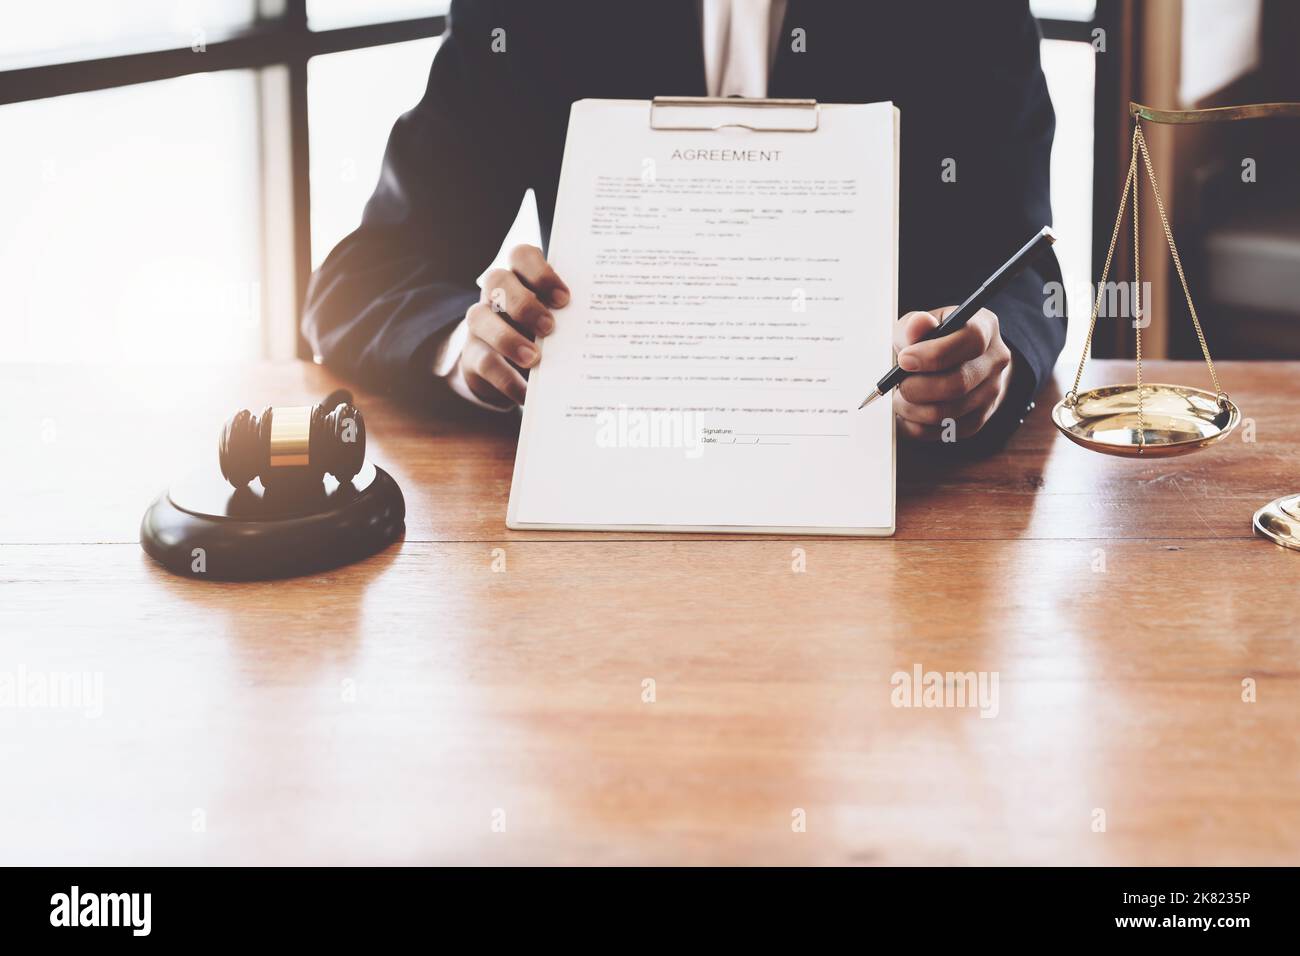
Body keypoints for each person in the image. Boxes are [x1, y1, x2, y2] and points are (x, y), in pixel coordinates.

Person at [303, 0, 1065, 450]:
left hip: (887, 480)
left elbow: (1024, 270)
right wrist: (464, 347)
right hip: (601, 468)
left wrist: (980, 369)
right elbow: (363, 280)